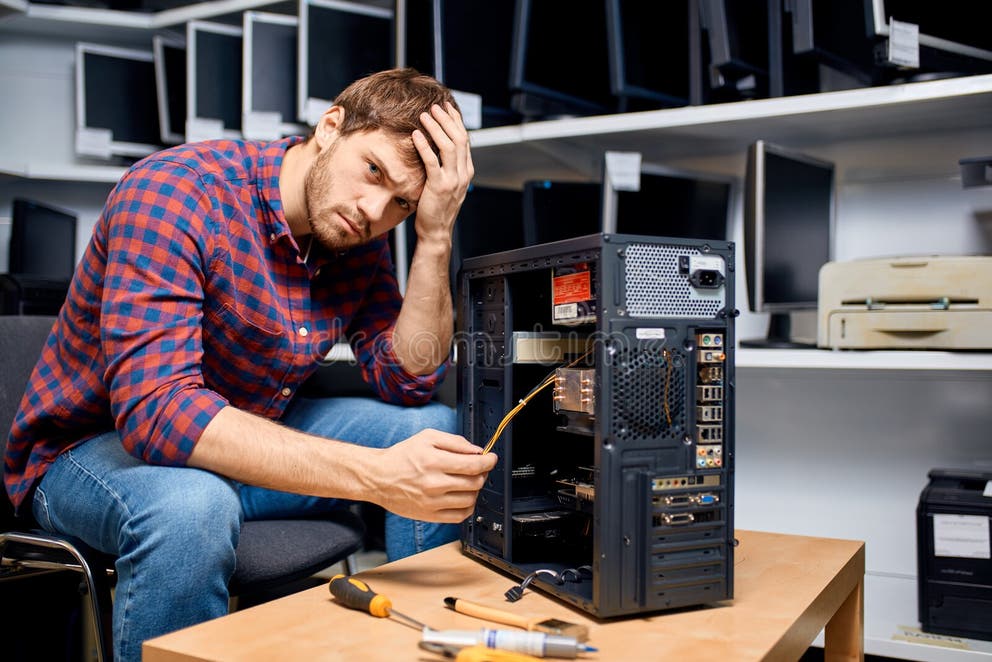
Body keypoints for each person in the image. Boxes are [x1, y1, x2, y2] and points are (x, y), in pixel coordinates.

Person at [3, 67, 497, 662]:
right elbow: (159, 414)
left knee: (435, 432)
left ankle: (423, 645)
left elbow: (410, 378)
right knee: (191, 507)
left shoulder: (350, 235)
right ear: (331, 125)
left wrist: (436, 234)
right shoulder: (176, 192)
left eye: (402, 203)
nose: (373, 210)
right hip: (90, 454)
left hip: (241, 444)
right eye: (373, 171)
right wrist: (376, 476)